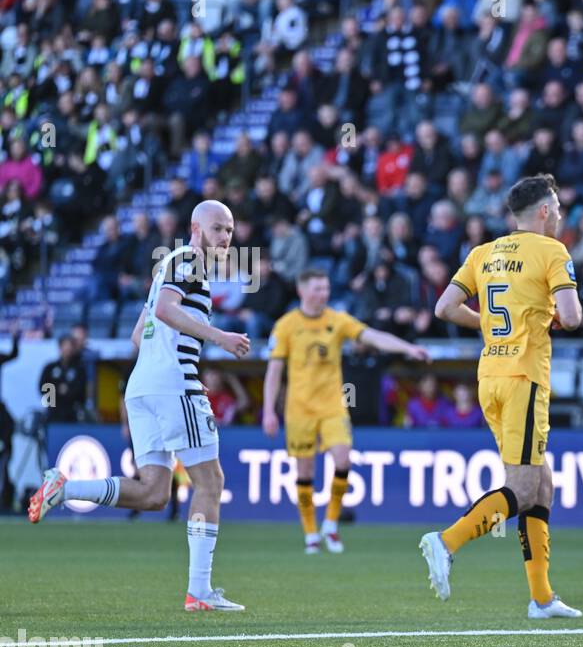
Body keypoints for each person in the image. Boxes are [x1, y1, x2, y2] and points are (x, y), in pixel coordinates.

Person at [28, 200, 252, 612]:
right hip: (173, 386)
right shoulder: (189, 260)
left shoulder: (167, 268)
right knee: (210, 481)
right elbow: (166, 312)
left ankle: (65, 487)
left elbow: (139, 333)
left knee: (153, 494)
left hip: (142, 387)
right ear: (195, 228)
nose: (225, 237)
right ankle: (199, 592)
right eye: (218, 228)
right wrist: (217, 338)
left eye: (230, 231)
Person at [424, 174, 583, 618]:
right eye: (558, 209)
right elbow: (570, 318)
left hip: (489, 377)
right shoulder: (553, 251)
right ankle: (447, 540)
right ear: (546, 211)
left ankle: (542, 597)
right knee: (524, 487)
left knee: (542, 484)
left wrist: (493, 325)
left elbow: (443, 308)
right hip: (524, 379)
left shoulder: (483, 252)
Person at [263, 269, 429, 554]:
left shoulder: (337, 321)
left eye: (326, 288)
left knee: (343, 459)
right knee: (305, 471)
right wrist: (268, 410)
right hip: (299, 409)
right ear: (302, 291)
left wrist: (407, 348)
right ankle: (310, 533)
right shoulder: (286, 326)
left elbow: (372, 336)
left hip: (332, 407)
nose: (323, 294)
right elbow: (274, 370)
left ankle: (330, 523)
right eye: (317, 289)